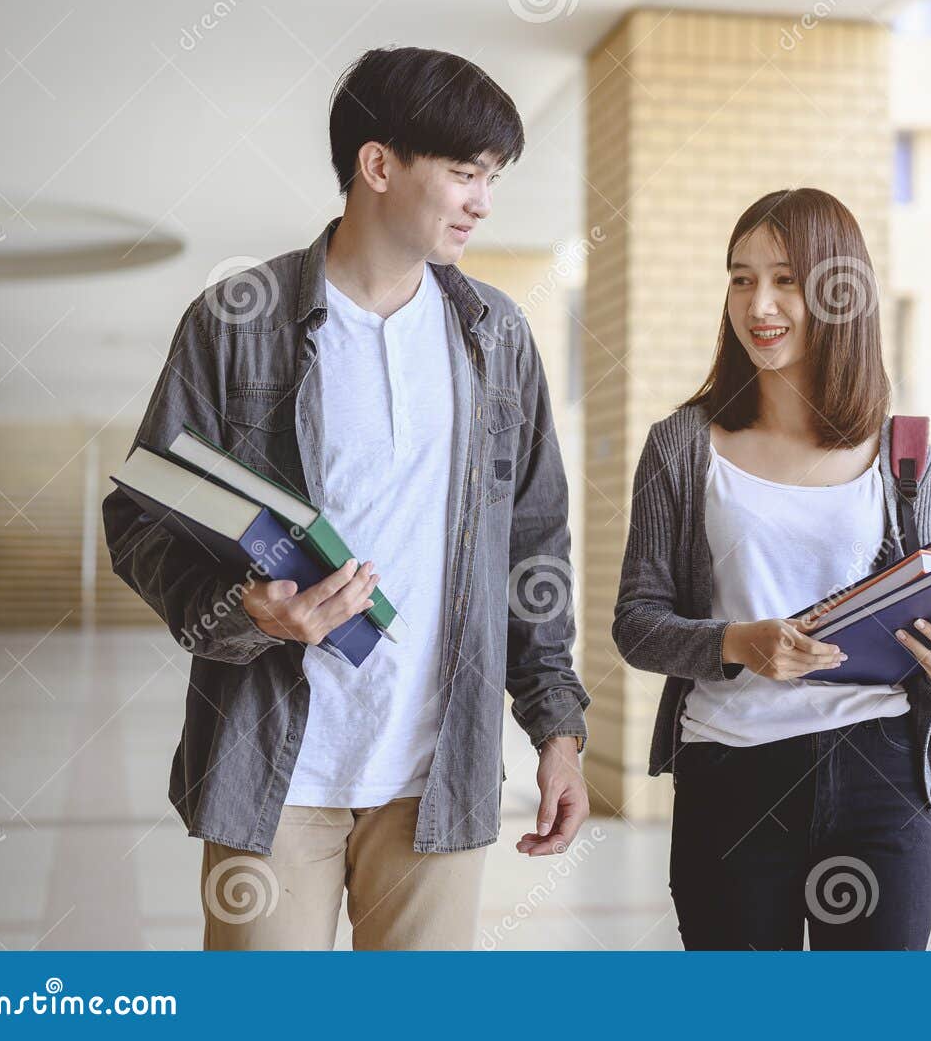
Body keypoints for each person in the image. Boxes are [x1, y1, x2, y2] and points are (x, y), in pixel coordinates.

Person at [104, 46, 590, 950]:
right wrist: (249, 610)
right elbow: (140, 516)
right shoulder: (236, 320)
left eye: (491, 177)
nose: (483, 200)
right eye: (463, 172)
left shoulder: (496, 337)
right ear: (378, 165)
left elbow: (535, 545)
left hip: (436, 772)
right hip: (272, 767)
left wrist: (556, 726)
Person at [613, 187, 931, 950]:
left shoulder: (902, 453)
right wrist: (738, 642)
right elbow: (637, 622)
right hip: (732, 773)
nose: (760, 304)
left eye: (787, 279)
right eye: (742, 277)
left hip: (881, 774)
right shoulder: (681, 446)